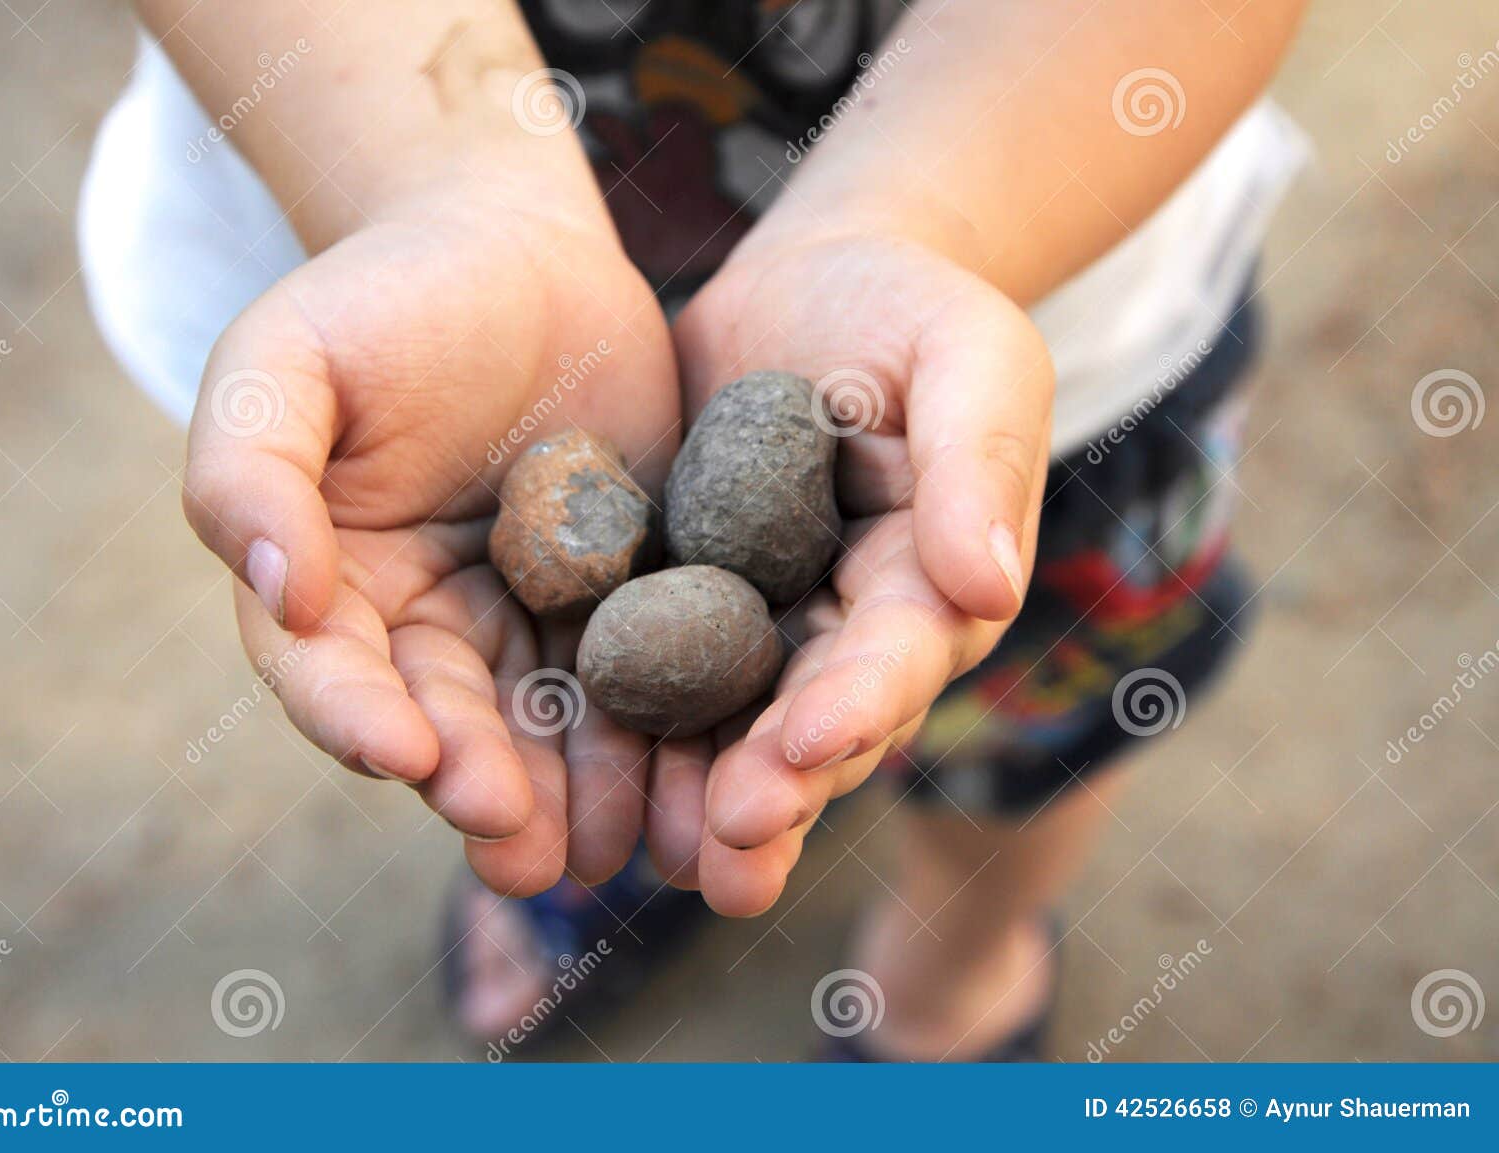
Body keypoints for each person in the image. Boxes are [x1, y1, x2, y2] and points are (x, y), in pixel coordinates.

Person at [81, 0, 1309, 1059]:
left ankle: (960, 959)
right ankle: (605, 854)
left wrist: (907, 222)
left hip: (1021, 319)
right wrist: (443, 194)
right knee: (566, 754)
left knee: (1039, 705)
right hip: (391, 243)